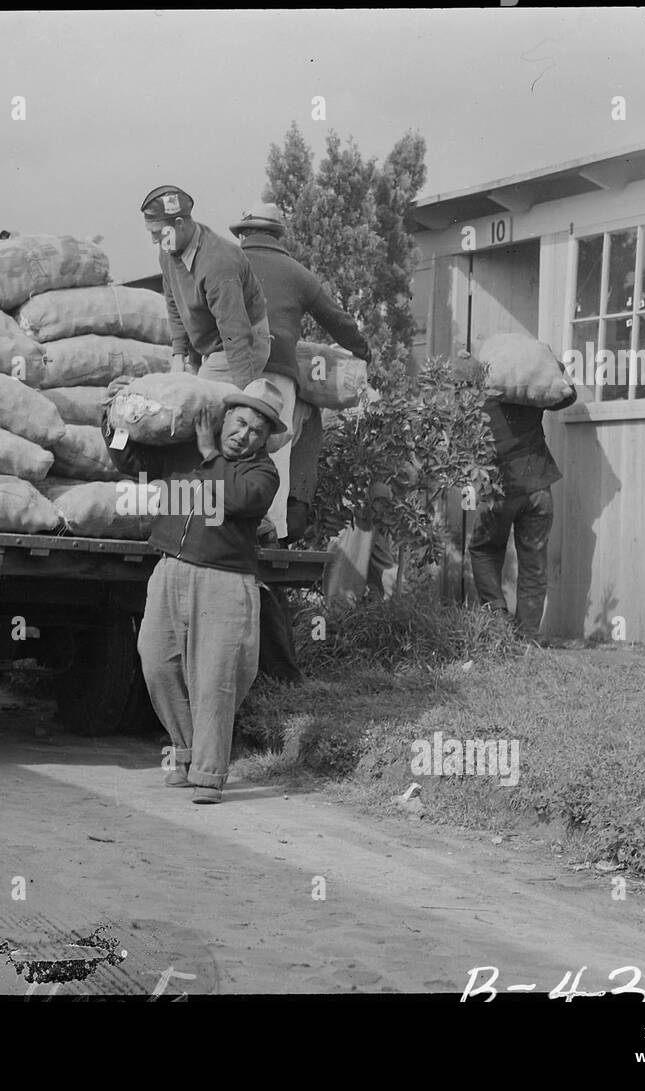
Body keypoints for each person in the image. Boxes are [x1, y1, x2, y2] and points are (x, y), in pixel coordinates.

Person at [102, 375, 284, 805]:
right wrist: (114, 416)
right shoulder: (183, 450)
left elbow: (237, 500)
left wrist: (208, 454)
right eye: (239, 423)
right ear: (223, 418)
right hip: (170, 568)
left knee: (215, 678)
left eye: (256, 432)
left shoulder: (261, 473)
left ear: (264, 441)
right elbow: (131, 461)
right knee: (156, 660)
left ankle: (208, 775)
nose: (244, 435)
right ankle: (185, 753)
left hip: (224, 579)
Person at [230, 202, 372, 544]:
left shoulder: (228, 264)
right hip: (278, 371)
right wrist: (363, 353)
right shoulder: (297, 273)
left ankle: (215, 522)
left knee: (224, 443)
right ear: (278, 235)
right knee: (275, 449)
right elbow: (337, 320)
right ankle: (270, 531)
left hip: (227, 363)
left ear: (243, 233)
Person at [468, 366, 578, 639]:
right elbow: (568, 396)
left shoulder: (481, 398)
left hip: (499, 490)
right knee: (533, 563)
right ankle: (528, 638)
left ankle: (497, 624)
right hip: (539, 487)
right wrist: (559, 371)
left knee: (484, 550)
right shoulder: (532, 393)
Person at [140, 185, 271, 389]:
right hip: (211, 341)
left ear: (180, 223)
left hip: (242, 342)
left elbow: (235, 332)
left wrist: (244, 396)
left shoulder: (219, 263)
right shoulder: (168, 249)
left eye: (157, 232)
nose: (154, 240)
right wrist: (178, 355)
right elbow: (174, 302)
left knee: (200, 401)